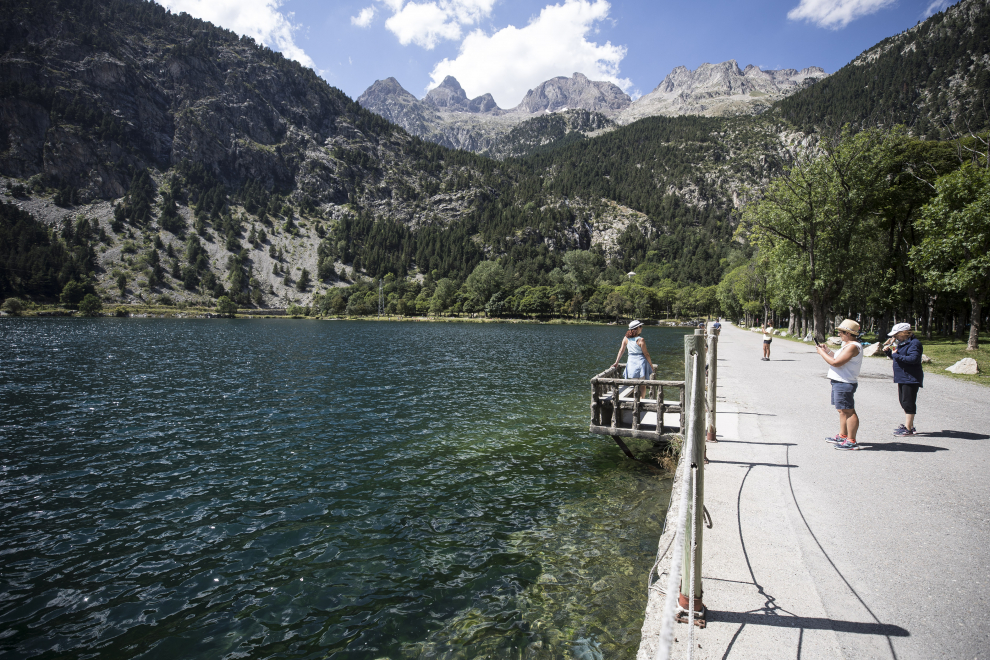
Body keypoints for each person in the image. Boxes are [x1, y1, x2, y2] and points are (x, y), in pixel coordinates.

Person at [817, 319, 864, 450]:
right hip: (839, 381)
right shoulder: (847, 345)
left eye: (841, 332)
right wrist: (827, 351)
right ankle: (843, 435)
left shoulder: (853, 346)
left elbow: (836, 363)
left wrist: (821, 354)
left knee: (848, 411)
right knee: (842, 410)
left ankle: (851, 440)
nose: (839, 335)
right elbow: (837, 358)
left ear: (848, 333)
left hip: (845, 382)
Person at [883, 322, 923, 436]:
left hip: (910, 377)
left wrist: (895, 355)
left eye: (896, 335)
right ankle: (909, 425)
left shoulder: (914, 344)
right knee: (903, 401)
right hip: (902, 376)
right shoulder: (902, 343)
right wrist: (889, 353)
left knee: (908, 402)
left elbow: (913, 359)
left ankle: (908, 428)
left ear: (904, 333)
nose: (894, 337)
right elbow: (898, 358)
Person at [613, 319, 654, 397]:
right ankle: (642, 401)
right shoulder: (641, 340)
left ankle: (636, 401)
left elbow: (621, 350)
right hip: (641, 363)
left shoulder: (626, 338)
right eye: (640, 326)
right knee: (642, 385)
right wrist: (650, 365)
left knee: (634, 384)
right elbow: (646, 354)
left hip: (631, 363)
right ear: (636, 329)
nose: (642, 328)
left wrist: (616, 362)